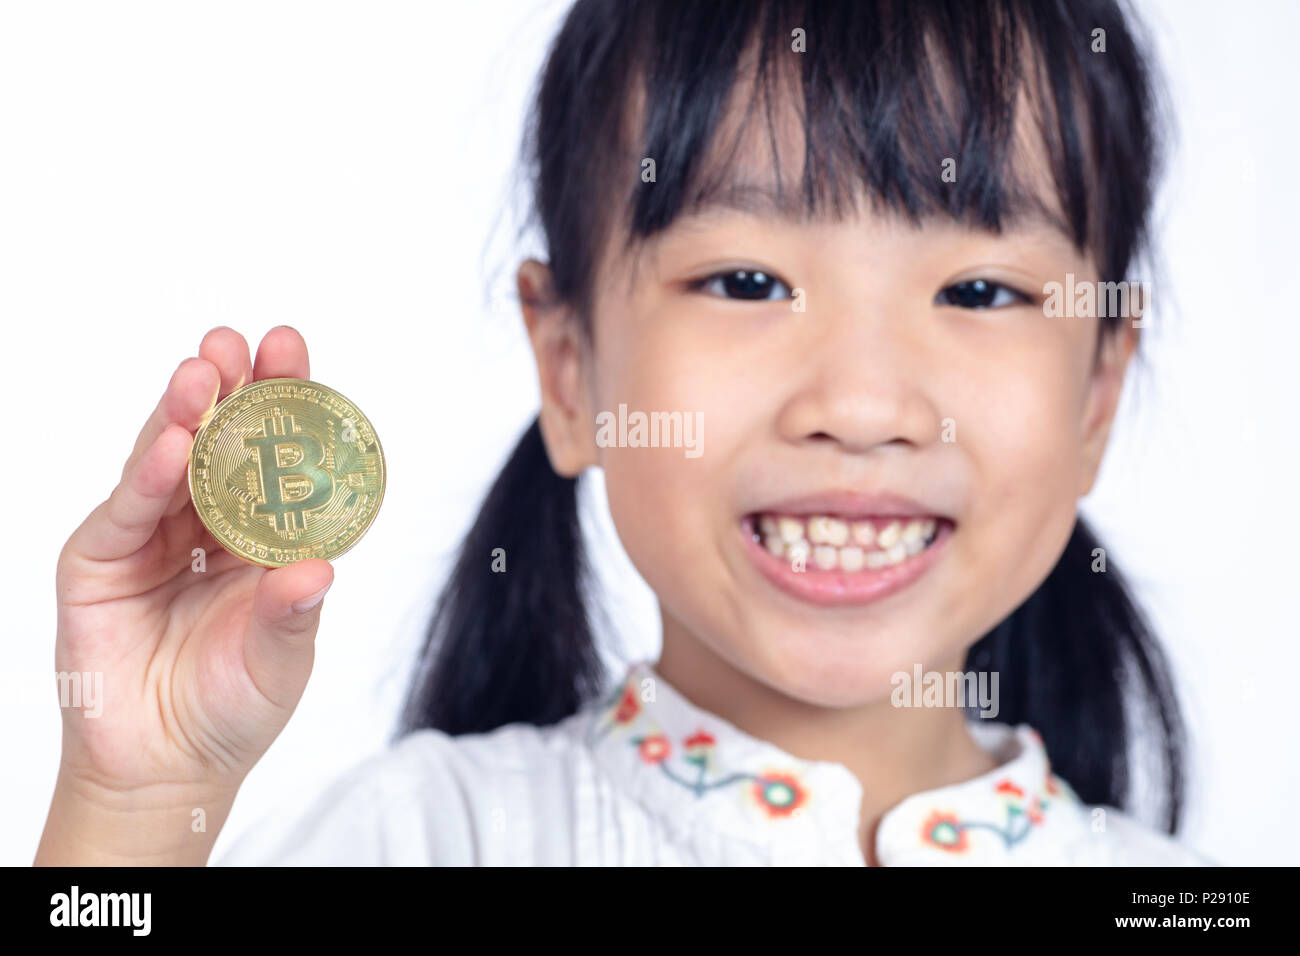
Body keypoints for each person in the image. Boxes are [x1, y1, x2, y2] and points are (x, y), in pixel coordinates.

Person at [36, 0, 1212, 866]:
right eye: (746, 279)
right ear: (569, 368)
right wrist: (135, 806)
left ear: (1096, 394)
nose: (860, 406)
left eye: (981, 292)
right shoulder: (423, 838)